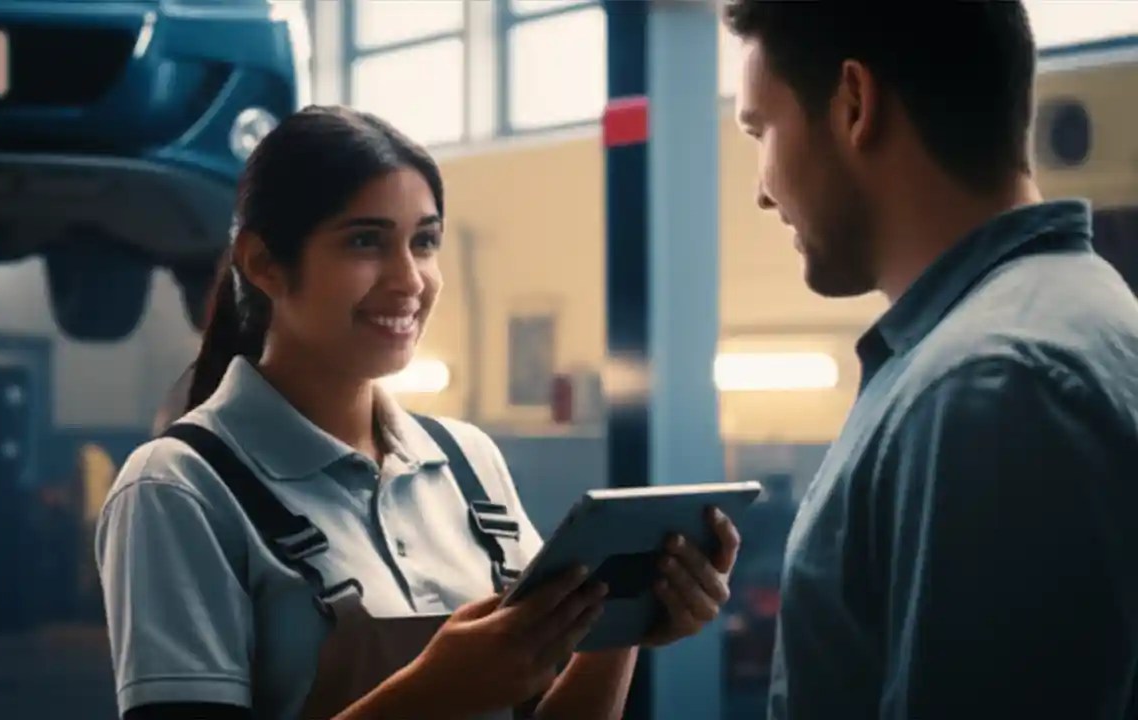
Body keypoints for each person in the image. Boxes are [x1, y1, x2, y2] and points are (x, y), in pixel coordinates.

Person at [95, 105, 741, 720]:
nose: (409, 279)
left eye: (425, 241)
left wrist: (620, 623)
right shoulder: (177, 491)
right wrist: (433, 694)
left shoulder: (469, 466)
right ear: (263, 264)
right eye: (365, 242)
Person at [722, 1, 1138, 718]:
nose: (762, 190)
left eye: (762, 130)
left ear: (855, 103)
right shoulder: (1075, 316)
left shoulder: (988, 387)